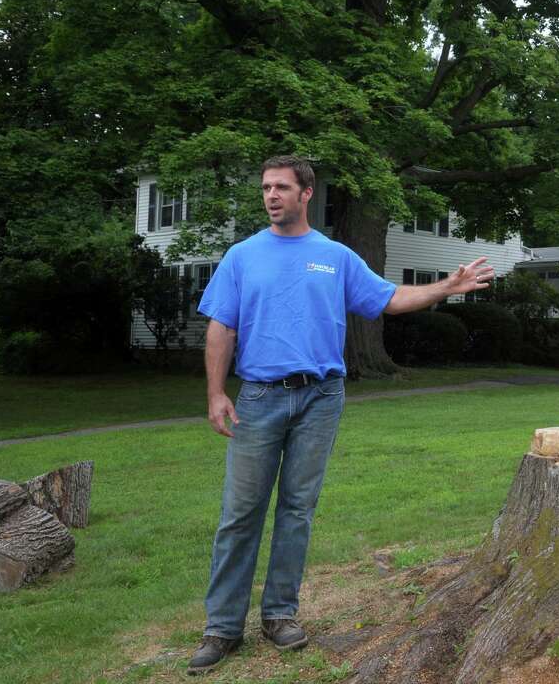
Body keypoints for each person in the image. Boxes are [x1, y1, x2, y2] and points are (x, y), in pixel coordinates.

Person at [187, 155, 493, 675]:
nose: (271, 196)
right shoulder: (242, 257)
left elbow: (389, 298)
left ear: (307, 193)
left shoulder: (335, 257)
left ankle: (280, 615)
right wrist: (217, 393)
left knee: (297, 510)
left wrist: (444, 287)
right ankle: (222, 628)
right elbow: (222, 327)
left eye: (282, 187)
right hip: (259, 398)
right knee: (240, 515)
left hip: (321, 398)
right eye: (266, 188)